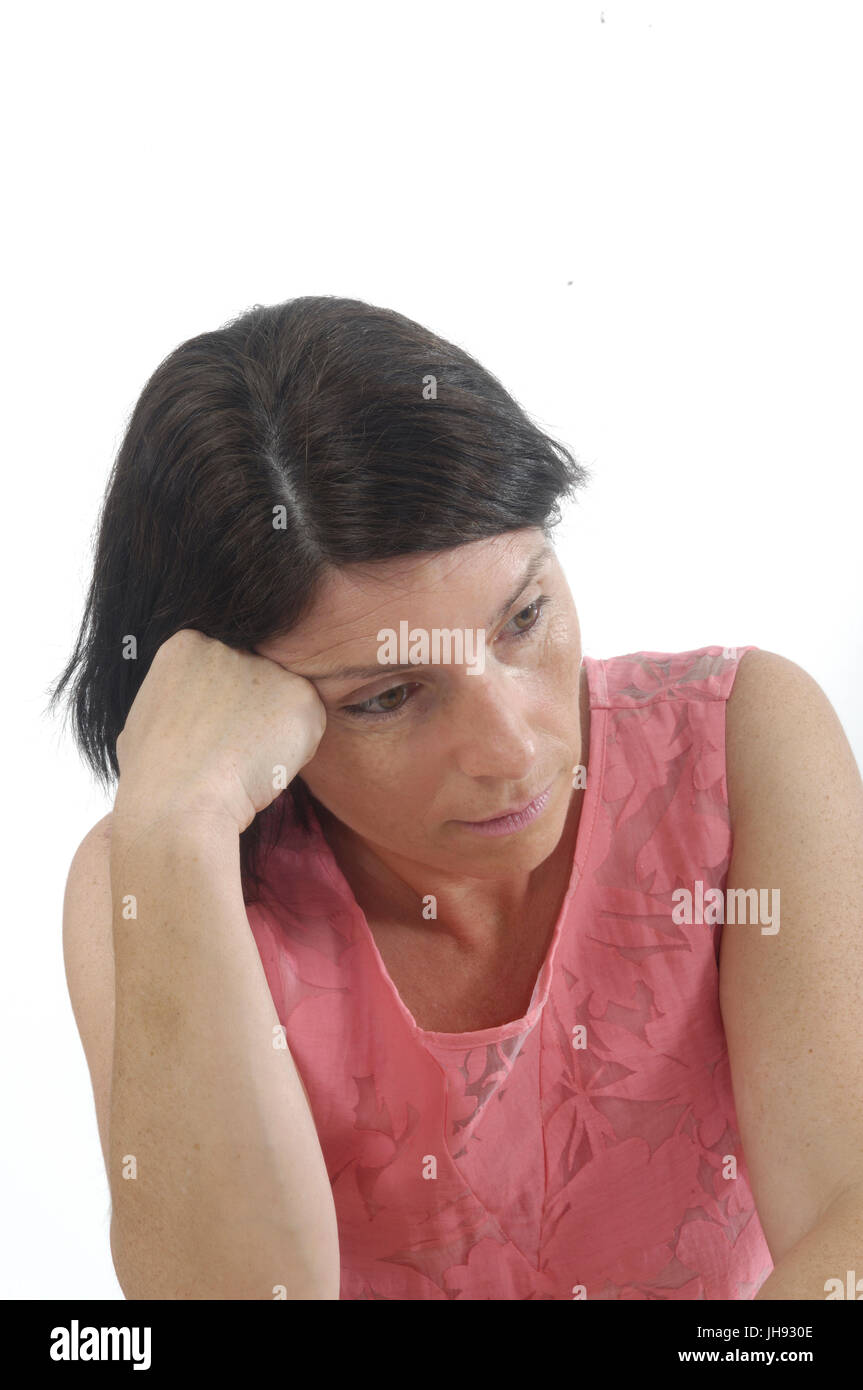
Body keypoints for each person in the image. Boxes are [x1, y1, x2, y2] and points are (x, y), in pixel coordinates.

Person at [52, 295, 863, 1300]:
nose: (512, 745)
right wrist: (174, 830)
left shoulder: (738, 744)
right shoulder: (158, 876)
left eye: (522, 616)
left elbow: (847, 1220)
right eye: (388, 696)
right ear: (236, 704)